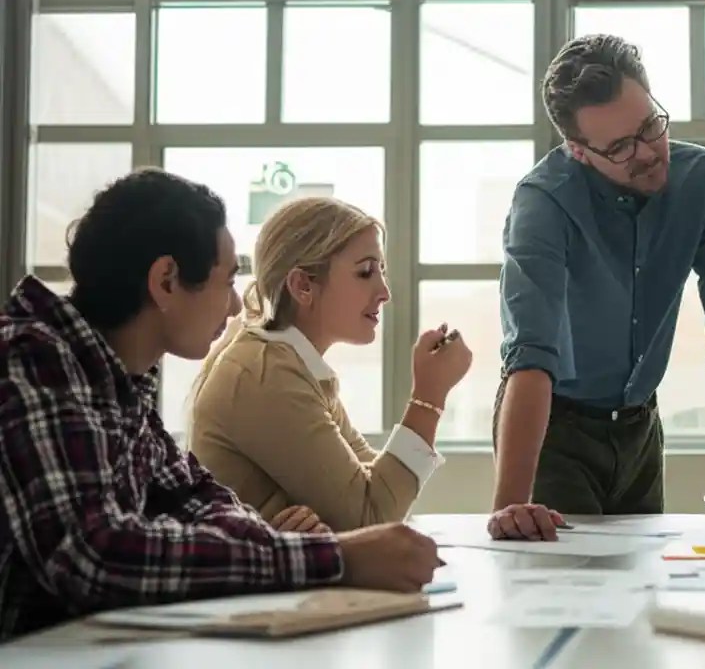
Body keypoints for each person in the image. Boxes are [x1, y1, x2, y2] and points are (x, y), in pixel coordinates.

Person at [0, 169, 438, 640]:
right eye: (227, 281)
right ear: (166, 281)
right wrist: (329, 557)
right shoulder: (32, 358)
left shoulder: (118, 378)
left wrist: (277, 542)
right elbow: (94, 554)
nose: (234, 306)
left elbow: (193, 496)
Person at [488, 34, 705, 539]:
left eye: (649, 127)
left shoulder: (704, 182)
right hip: (556, 431)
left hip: (641, 427)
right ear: (578, 150)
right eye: (620, 147)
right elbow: (531, 356)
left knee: (640, 598)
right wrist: (510, 507)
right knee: (557, 590)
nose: (646, 153)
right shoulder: (543, 204)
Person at [188, 197, 472, 532]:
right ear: (303, 286)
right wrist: (429, 396)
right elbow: (373, 516)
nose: (384, 292)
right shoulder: (264, 374)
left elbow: (378, 490)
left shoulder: (293, 365)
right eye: (365, 272)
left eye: (381, 270)